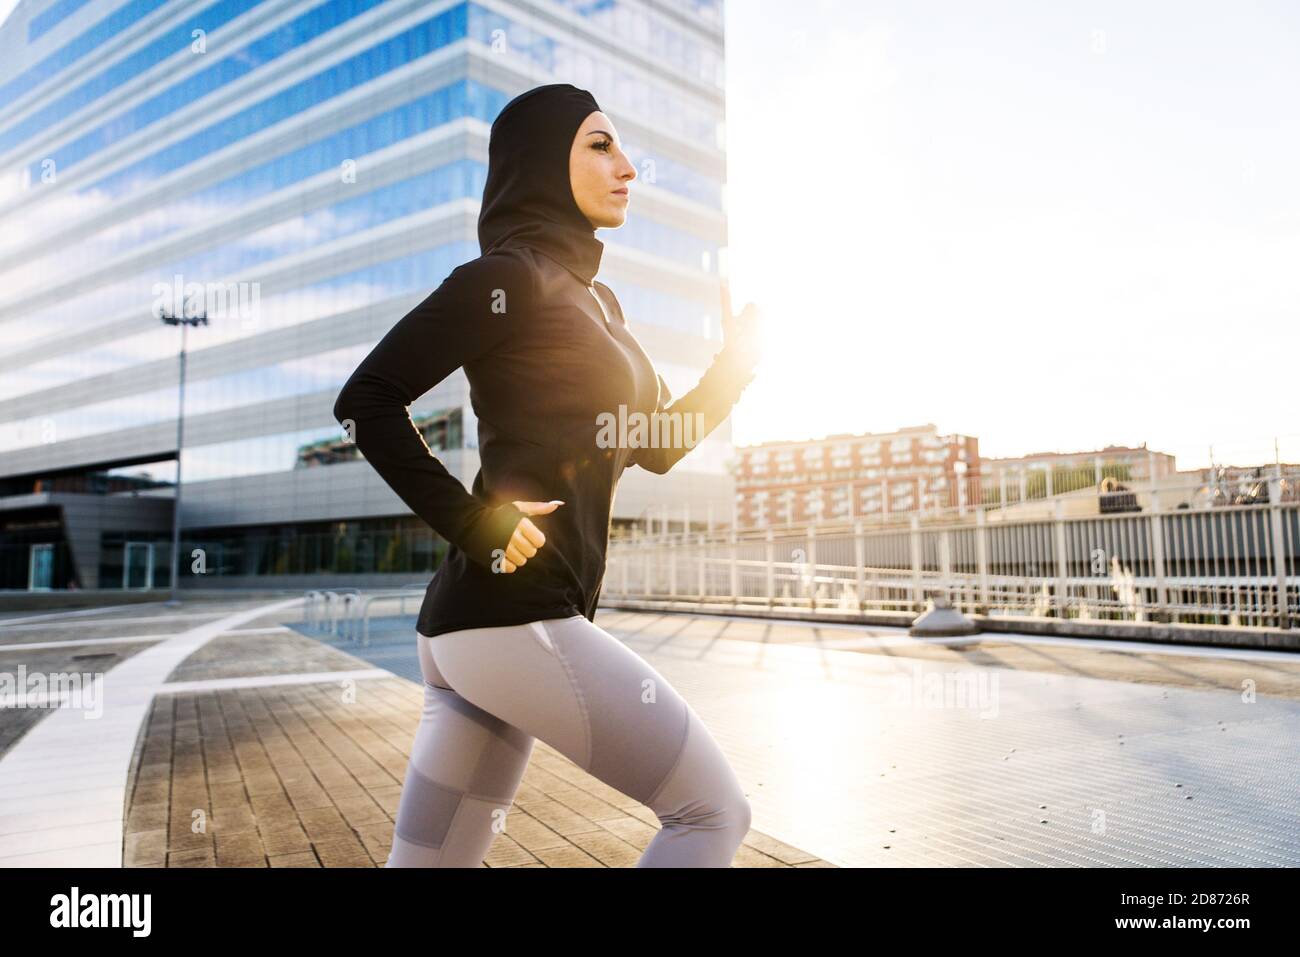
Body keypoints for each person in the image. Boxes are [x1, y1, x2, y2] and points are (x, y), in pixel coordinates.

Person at [332, 83, 762, 867]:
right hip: (512, 615)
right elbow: (367, 399)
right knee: (711, 813)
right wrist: (471, 520)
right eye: (600, 145)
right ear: (539, 165)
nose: (627, 166)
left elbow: (656, 444)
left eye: (624, 147)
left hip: (479, 632)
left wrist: (733, 368)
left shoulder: (601, 304)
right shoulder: (510, 280)